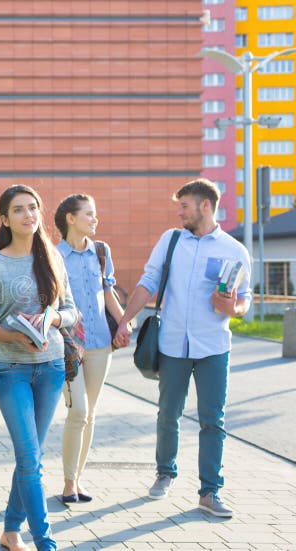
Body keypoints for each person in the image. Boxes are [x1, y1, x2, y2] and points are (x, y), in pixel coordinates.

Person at [113, 179, 251, 518]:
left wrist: (232, 309)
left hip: (214, 346)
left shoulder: (234, 250)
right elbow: (148, 282)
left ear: (205, 206)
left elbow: (244, 300)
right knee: (168, 414)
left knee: (212, 420)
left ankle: (210, 491)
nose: (179, 212)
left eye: (184, 206)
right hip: (173, 343)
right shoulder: (171, 240)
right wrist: (124, 320)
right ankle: (165, 473)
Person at [0, 185, 77, 551]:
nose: (28, 215)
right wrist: (16, 335)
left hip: (50, 367)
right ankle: (46, 543)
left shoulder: (52, 257)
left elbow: (71, 311)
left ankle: (9, 530)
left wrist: (50, 322)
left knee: (29, 458)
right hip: (11, 368)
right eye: (18, 210)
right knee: (30, 459)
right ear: (5, 219)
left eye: (33, 208)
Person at [53, 194, 125, 504]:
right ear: (70, 217)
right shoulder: (53, 255)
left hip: (100, 342)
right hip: (67, 345)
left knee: (90, 414)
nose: (95, 220)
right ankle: (68, 483)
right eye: (89, 214)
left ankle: (78, 480)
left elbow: (107, 292)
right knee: (77, 410)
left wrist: (123, 323)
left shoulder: (101, 251)